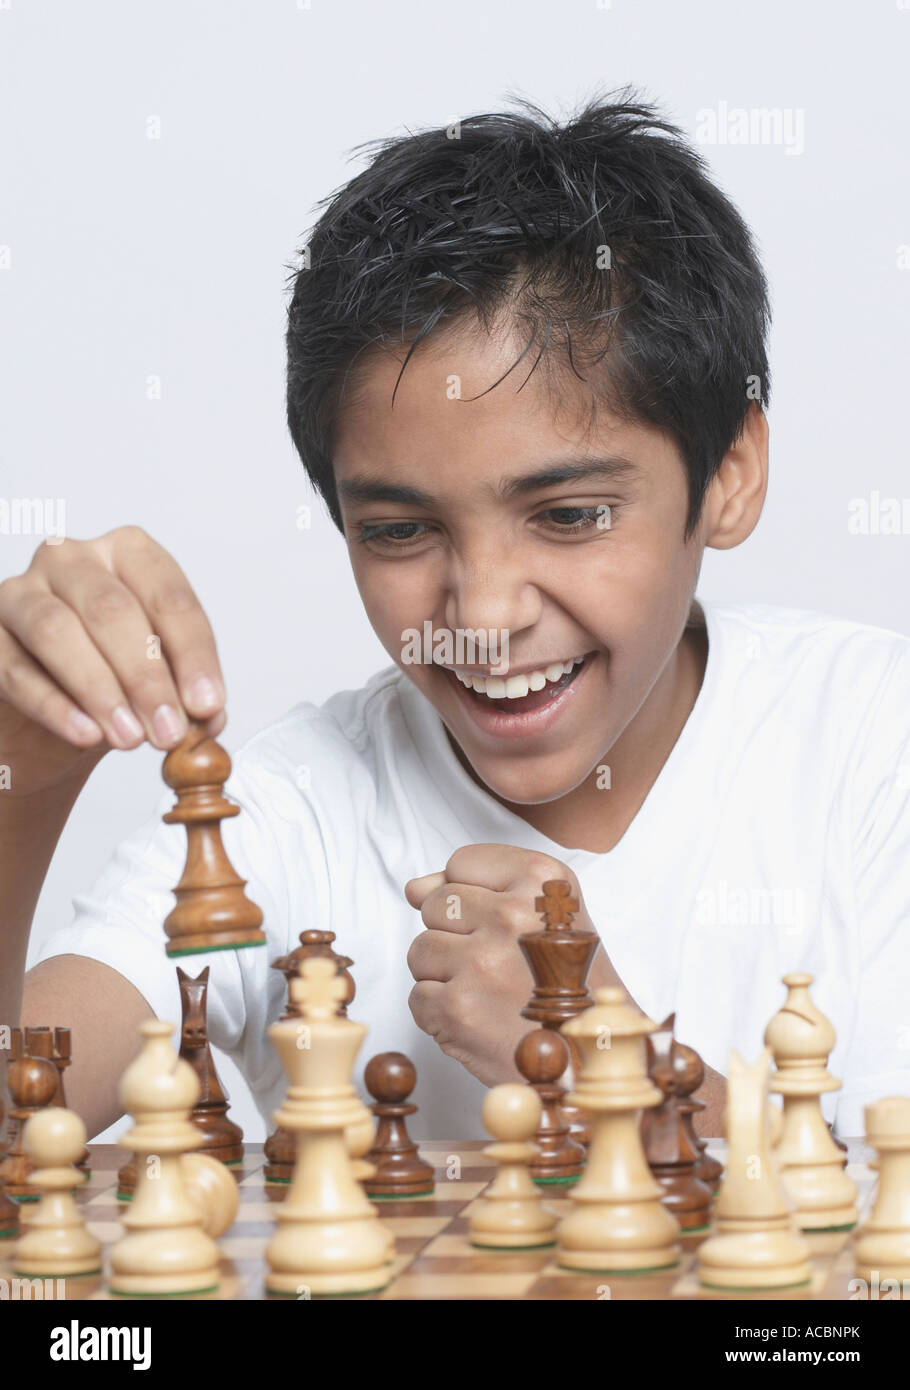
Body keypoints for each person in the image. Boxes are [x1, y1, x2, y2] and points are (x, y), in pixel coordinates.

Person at [2, 91, 907, 1141]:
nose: (481, 612)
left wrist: (611, 1061)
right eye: (398, 531)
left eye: (567, 514)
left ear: (730, 476)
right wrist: (23, 764)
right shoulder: (287, 813)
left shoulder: (873, 747)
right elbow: (20, 1123)